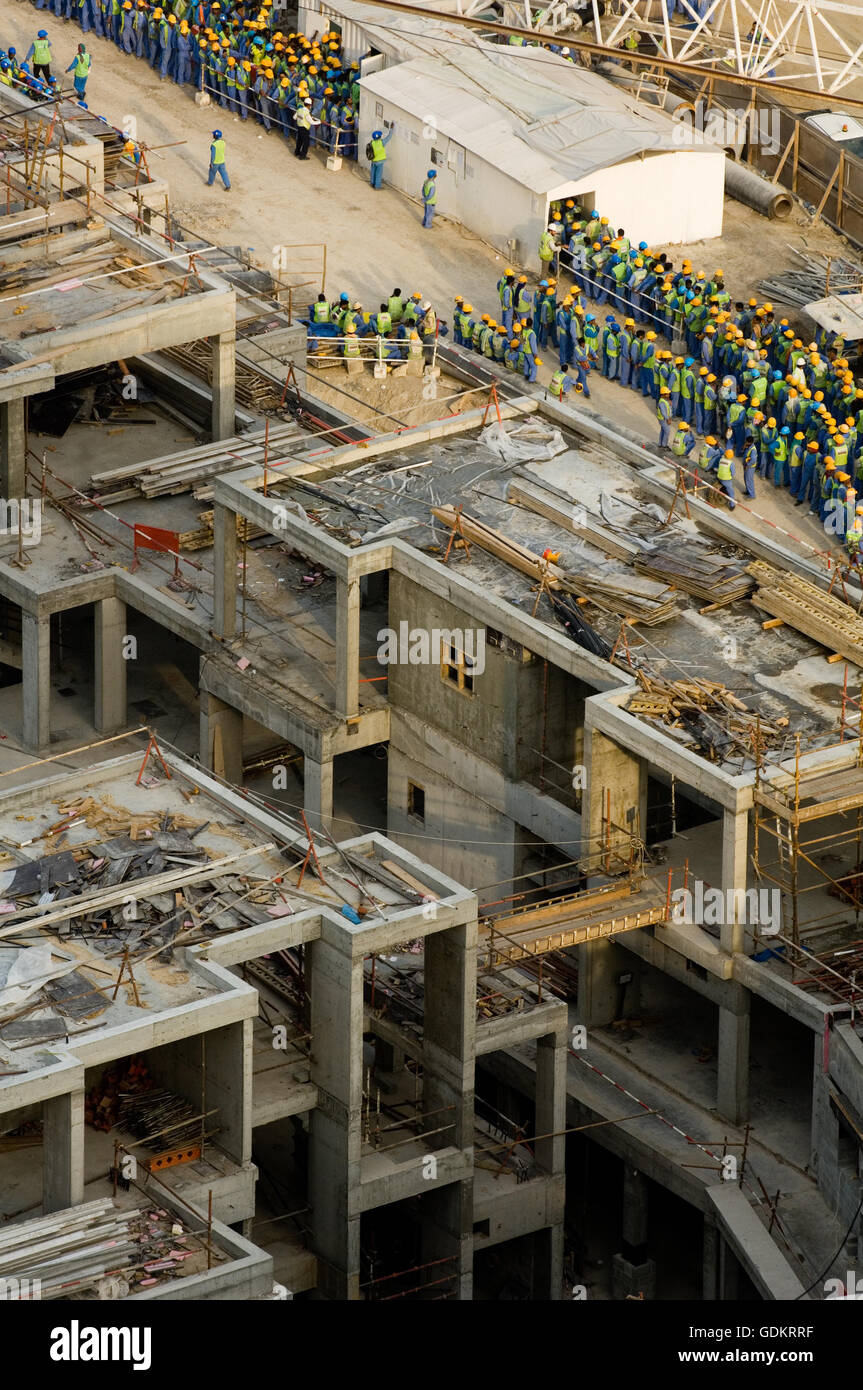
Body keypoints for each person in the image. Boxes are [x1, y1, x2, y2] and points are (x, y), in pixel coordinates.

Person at [368, 124, 394, 190]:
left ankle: (372, 183)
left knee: (373, 172)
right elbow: (389, 137)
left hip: (373, 160)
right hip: (380, 161)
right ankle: (377, 186)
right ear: (379, 137)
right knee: (378, 174)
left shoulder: (372, 143)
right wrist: (391, 128)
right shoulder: (382, 142)